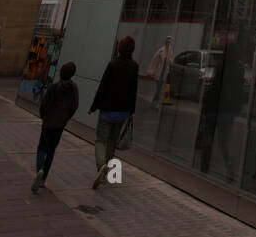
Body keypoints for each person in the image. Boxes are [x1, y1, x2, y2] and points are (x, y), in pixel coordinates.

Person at [88, 36, 138, 189]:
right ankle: (106, 170)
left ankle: (101, 165)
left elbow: (103, 87)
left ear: (119, 48)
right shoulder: (134, 66)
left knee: (101, 139)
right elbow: (133, 90)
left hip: (108, 109)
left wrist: (94, 106)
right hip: (123, 111)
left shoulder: (113, 65)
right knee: (112, 141)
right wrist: (132, 111)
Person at [32, 61, 79, 193]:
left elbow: (44, 104)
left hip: (48, 122)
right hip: (60, 123)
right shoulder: (74, 88)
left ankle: (39, 170)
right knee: (51, 150)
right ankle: (43, 178)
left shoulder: (54, 87)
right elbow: (74, 106)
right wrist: (66, 118)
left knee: (42, 148)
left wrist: (44, 116)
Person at [148, 36, 173, 106]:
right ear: (166, 42)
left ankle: (153, 102)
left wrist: (170, 61)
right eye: (168, 41)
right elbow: (154, 62)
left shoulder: (170, 51)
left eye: (170, 42)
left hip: (164, 73)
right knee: (159, 89)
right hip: (158, 73)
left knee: (159, 90)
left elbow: (171, 61)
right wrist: (152, 71)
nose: (169, 43)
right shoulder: (161, 51)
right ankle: (156, 103)